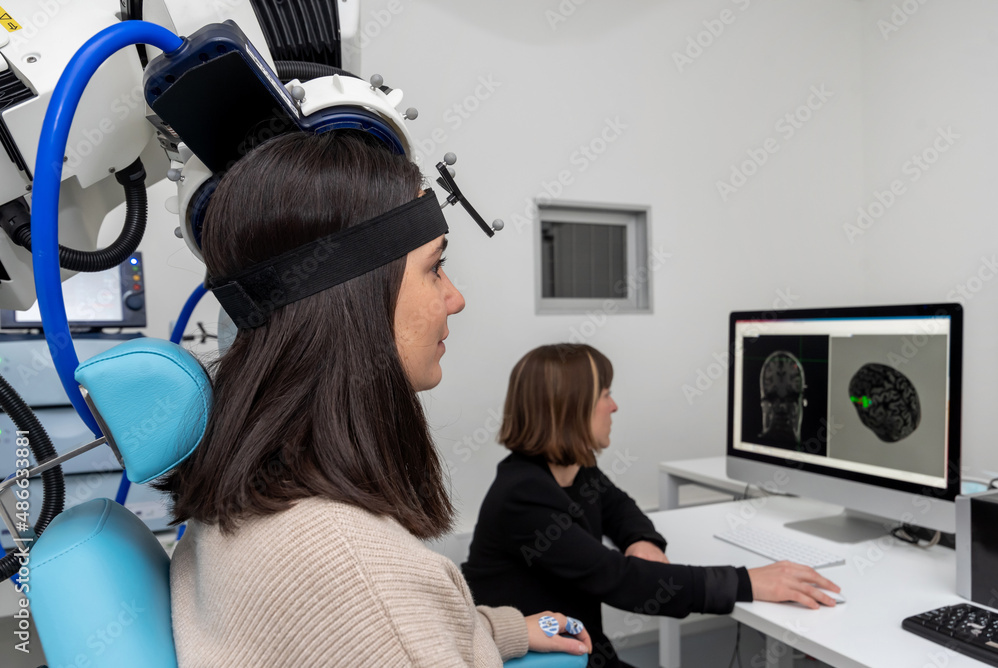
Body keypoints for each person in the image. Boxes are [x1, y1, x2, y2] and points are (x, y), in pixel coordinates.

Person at [155, 130, 592, 667]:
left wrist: (498, 630)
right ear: (355, 299)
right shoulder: (356, 573)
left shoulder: (255, 483)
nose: (456, 298)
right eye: (434, 268)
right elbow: (387, 623)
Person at [462, 344, 840, 668]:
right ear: (570, 409)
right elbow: (621, 580)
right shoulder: (523, 496)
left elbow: (620, 507)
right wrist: (746, 582)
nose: (614, 406)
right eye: (604, 395)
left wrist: (642, 539)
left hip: (583, 649)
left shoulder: (572, 469)